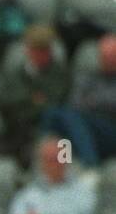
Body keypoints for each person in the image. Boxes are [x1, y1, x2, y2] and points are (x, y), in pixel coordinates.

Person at [0, 25, 71, 167]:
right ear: (28, 50)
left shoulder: (60, 75)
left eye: (44, 50)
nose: (40, 54)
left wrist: (25, 103)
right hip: (15, 130)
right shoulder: (15, 74)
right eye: (35, 49)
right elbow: (5, 103)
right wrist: (33, 100)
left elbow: (52, 105)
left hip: (47, 130)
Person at [40, 34, 116, 168]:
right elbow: (75, 103)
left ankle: (88, 165)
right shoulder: (88, 77)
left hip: (110, 132)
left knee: (66, 117)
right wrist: (100, 104)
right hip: (85, 131)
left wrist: (94, 102)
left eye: (111, 56)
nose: (108, 60)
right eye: (104, 56)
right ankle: (60, 166)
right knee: (54, 116)